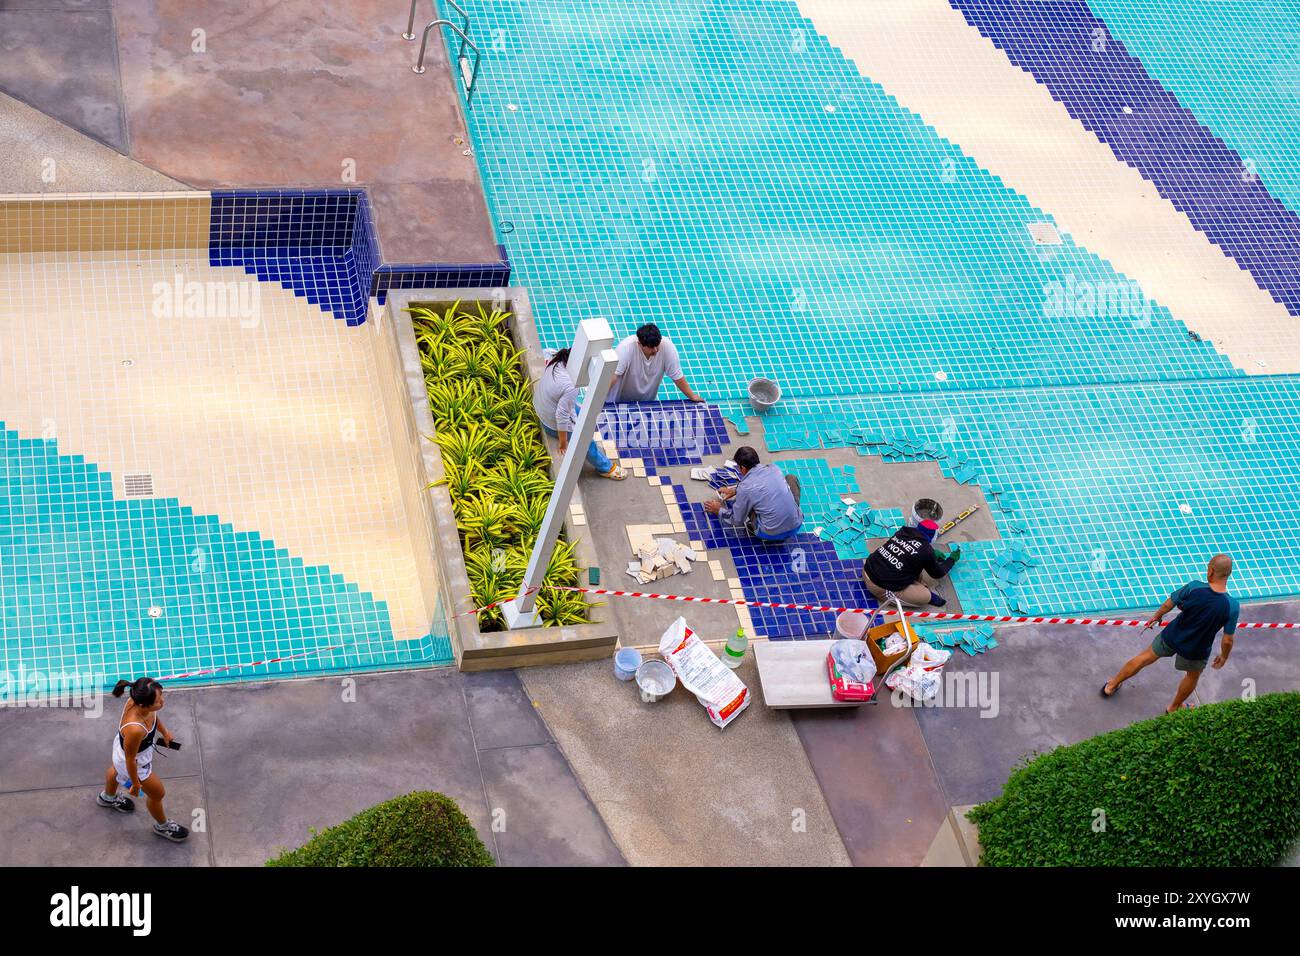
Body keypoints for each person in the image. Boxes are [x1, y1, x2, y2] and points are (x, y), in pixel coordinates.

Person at [1101, 554, 1239, 714]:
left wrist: (1156, 616)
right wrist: (1224, 656)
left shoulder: (1194, 587)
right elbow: (1228, 639)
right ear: (1228, 575)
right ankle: (1174, 707)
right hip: (1196, 650)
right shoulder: (1232, 606)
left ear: (1211, 571)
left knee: (1144, 658)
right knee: (1192, 676)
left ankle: (1111, 686)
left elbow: (1169, 603)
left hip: (1172, 636)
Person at [96, 676, 190, 843]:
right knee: (157, 793)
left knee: (116, 770)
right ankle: (162, 826)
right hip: (134, 762)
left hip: (122, 749)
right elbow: (130, 760)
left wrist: (164, 732)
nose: (162, 701)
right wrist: (136, 783)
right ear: (142, 705)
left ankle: (107, 798)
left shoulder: (140, 701)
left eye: (161, 695)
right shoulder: (135, 729)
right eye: (158, 700)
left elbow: (153, 716)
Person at [534, 348, 626, 480]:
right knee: (584, 440)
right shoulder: (571, 385)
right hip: (550, 422)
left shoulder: (556, 357)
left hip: (542, 407)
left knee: (580, 413)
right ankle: (605, 468)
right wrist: (563, 442)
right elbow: (561, 416)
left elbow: (545, 351)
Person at [702, 446, 802, 541]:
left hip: (769, 534)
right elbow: (764, 486)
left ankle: (760, 529)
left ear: (743, 468)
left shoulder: (745, 487)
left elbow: (736, 520)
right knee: (791, 478)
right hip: (796, 525)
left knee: (748, 504)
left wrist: (719, 510)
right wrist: (735, 491)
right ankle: (791, 513)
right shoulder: (774, 468)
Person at [862, 520, 960, 607]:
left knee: (914, 563)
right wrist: (951, 560)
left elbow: (908, 550)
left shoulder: (902, 532)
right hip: (879, 587)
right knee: (925, 596)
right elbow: (937, 573)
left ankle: (911, 587)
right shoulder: (926, 551)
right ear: (932, 536)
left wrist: (932, 555)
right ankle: (920, 595)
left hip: (867, 568)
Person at [608, 323, 704, 404]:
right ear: (639, 344)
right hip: (618, 401)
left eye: (657, 345)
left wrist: (692, 396)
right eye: (651, 347)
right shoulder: (626, 348)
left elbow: (677, 375)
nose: (656, 350)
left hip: (646, 403)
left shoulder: (667, 347)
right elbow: (613, 376)